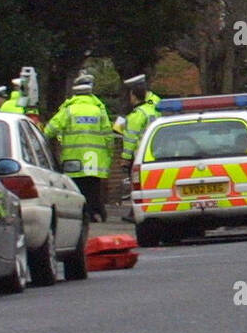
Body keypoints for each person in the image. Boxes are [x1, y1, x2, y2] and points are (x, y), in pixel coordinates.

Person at [45, 78, 113, 222]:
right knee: (93, 185)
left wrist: (40, 137)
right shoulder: (99, 109)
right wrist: (109, 153)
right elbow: (108, 134)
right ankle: (98, 211)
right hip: (94, 156)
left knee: (77, 186)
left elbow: (52, 128)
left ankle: (84, 213)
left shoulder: (69, 109)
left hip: (73, 156)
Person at [119, 74, 161, 167]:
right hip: (157, 152)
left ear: (133, 94)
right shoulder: (156, 102)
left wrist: (126, 157)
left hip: (140, 154)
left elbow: (131, 137)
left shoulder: (139, 112)